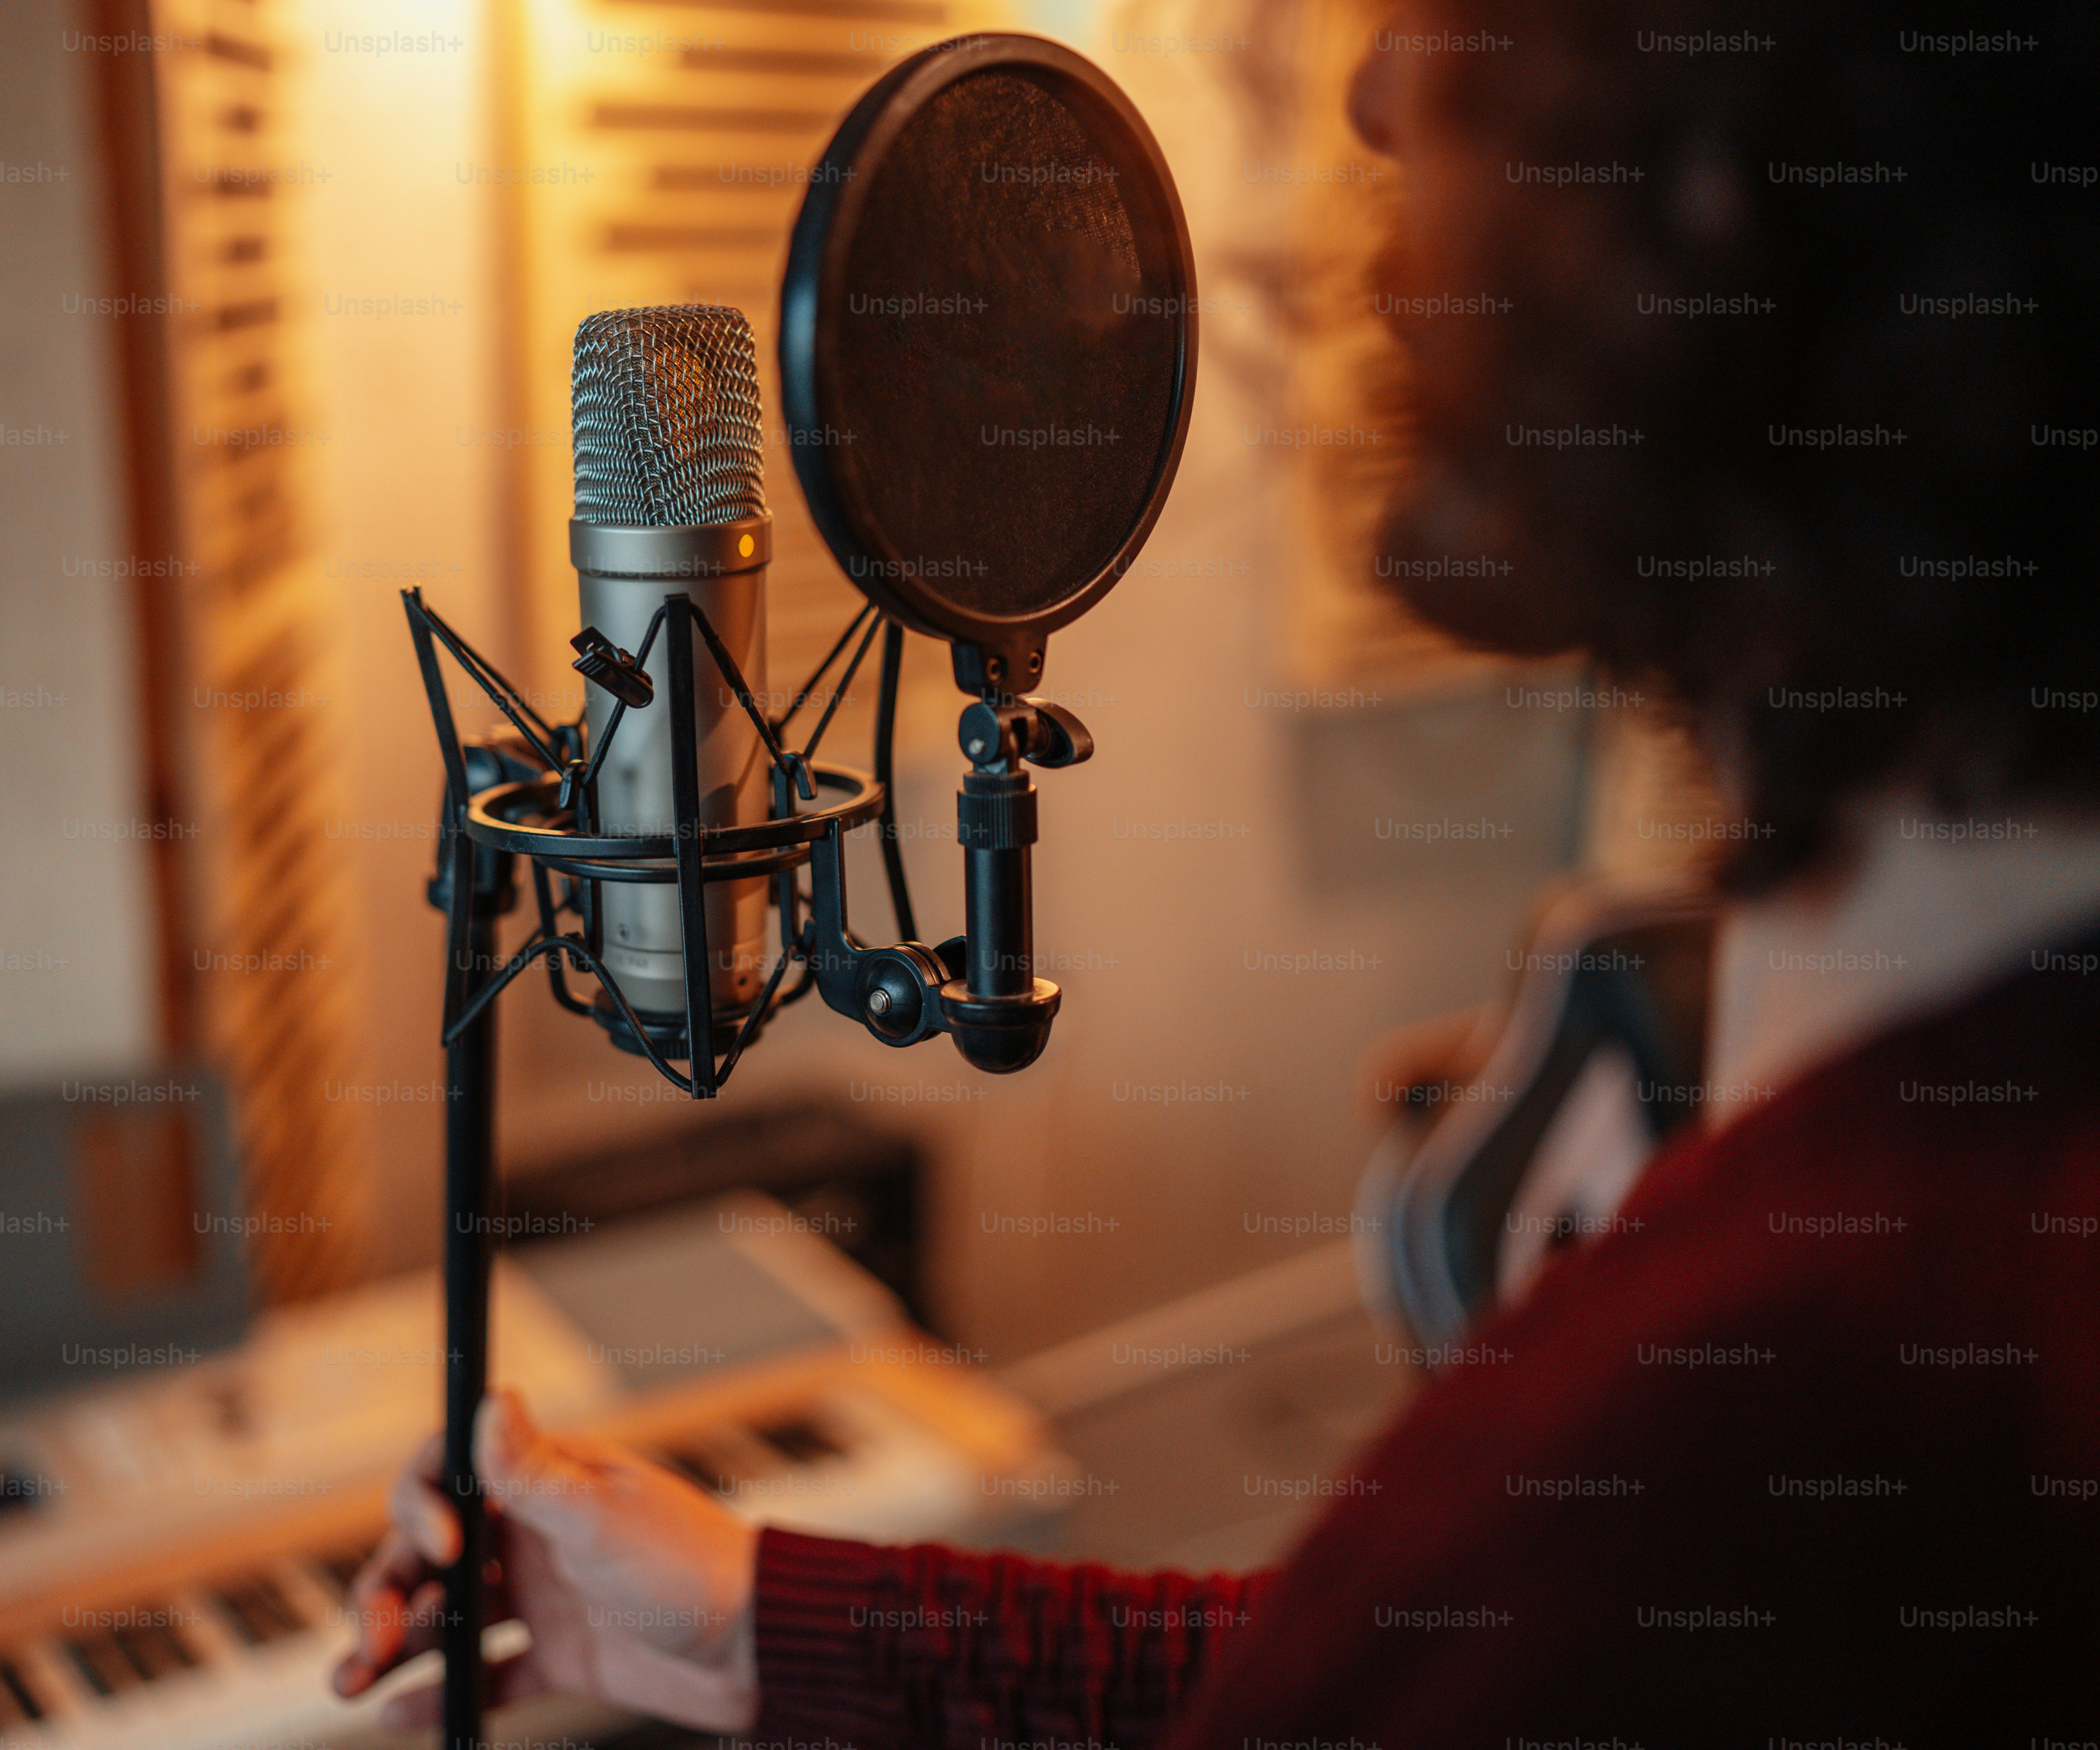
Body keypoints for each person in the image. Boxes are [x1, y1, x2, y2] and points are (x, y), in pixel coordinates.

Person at [337, 0, 2100, 1740]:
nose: (1378, 88)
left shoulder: (1784, 1404)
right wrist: (752, 1627)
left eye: (1468, 24)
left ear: (1741, 169)